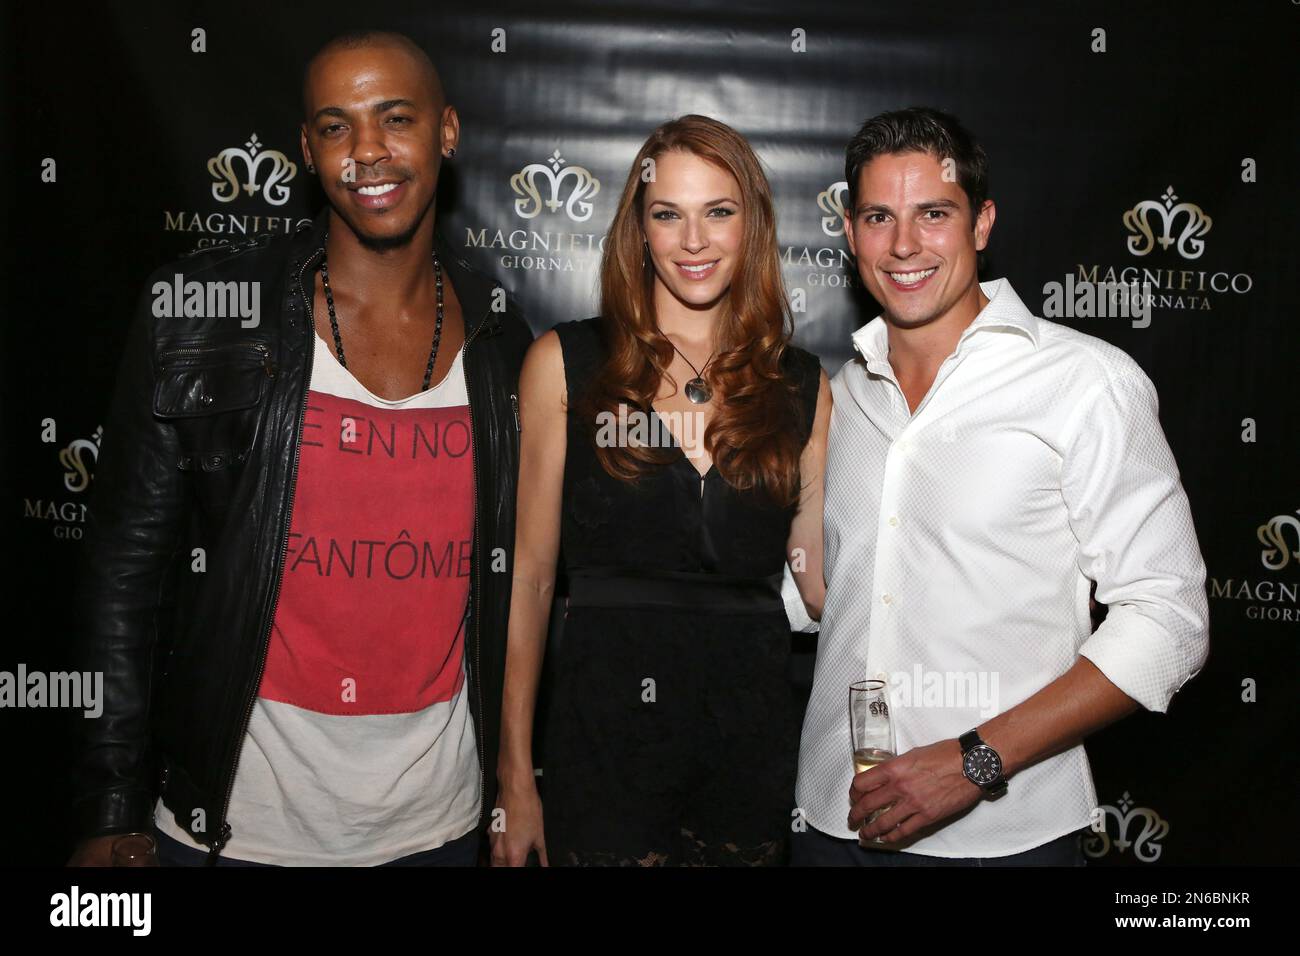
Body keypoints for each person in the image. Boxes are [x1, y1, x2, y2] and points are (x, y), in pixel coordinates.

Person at [66, 30, 531, 866]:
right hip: (231, 828)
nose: (368, 151)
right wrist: (109, 805)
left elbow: (525, 590)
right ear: (308, 152)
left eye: (396, 118)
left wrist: (513, 781)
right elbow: (124, 575)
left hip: (440, 828)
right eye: (335, 126)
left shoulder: (501, 340)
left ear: (447, 131)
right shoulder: (201, 315)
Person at [791, 107, 1209, 865]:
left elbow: (1169, 618)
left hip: (1006, 834)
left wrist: (977, 760)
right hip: (831, 821)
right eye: (879, 217)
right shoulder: (840, 397)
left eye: (934, 214)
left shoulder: (1084, 382)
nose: (905, 244)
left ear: (981, 223)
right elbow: (824, 594)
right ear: (850, 233)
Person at [490, 114, 832, 866]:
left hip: (748, 743)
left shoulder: (801, 384)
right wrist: (514, 771)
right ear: (639, 230)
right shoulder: (566, 363)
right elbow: (531, 579)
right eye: (668, 214)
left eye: (719, 212)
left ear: (753, 225)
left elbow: (816, 581)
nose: (694, 240)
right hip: (603, 735)